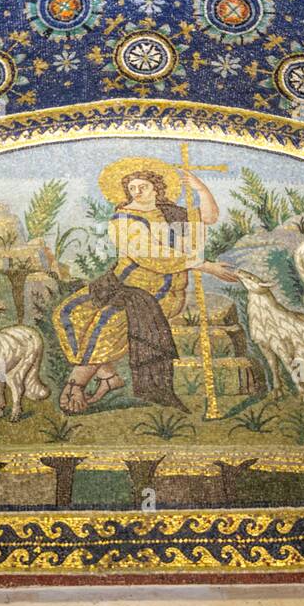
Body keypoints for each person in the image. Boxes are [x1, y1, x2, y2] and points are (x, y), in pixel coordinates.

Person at [53, 158, 236, 414]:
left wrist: (201, 188)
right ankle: (108, 376)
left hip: (159, 289)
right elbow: (148, 254)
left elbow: (208, 217)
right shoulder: (123, 218)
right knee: (67, 313)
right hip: (121, 282)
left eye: (143, 186)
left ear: (156, 188)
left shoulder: (170, 213)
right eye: (133, 188)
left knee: (107, 324)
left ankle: (76, 384)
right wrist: (205, 266)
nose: (137, 192)